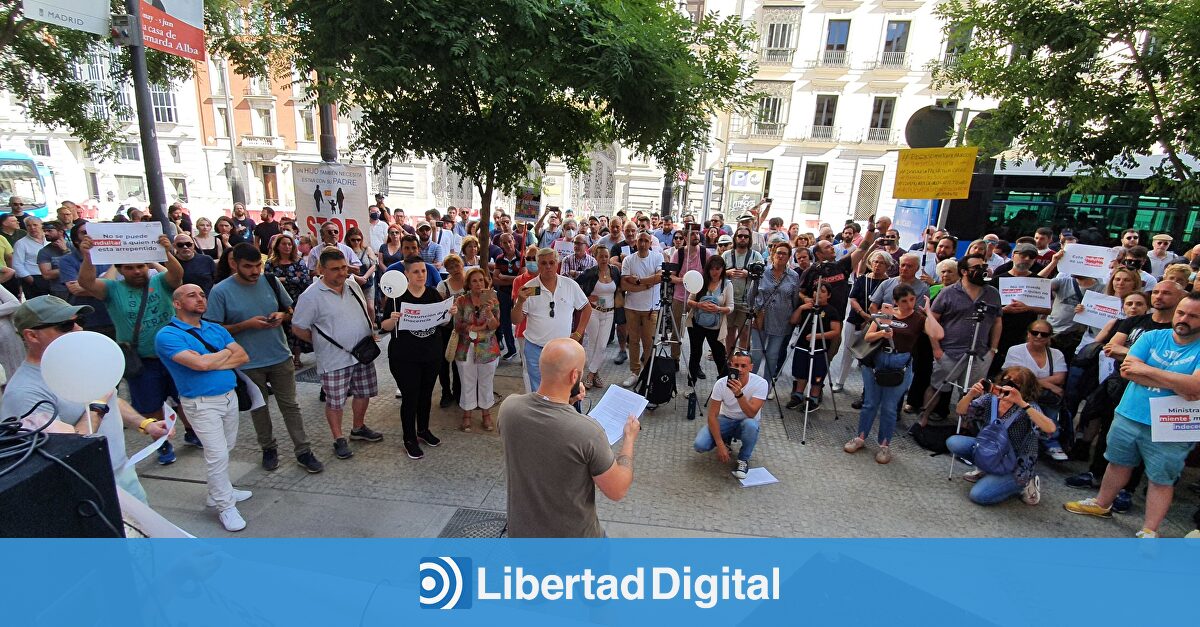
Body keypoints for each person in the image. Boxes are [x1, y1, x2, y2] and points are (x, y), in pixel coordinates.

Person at [1, 296, 165, 505]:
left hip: (122, 472)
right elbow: (65, 450)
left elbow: (110, 399)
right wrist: (97, 406)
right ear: (32, 335)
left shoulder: (77, 362)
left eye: (79, 322)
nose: (78, 329)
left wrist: (143, 424)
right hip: (87, 487)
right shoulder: (25, 392)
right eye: (66, 326)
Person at [1064, 293, 1200, 537]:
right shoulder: (1152, 336)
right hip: (1130, 414)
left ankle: (1150, 530)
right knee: (1117, 464)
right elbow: (1127, 371)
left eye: (1193, 316)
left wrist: (1146, 369)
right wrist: (1178, 382)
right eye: (1181, 312)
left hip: (1173, 424)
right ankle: (1102, 504)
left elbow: (1195, 388)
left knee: (1161, 479)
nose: (1183, 319)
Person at [77, 230, 199, 459]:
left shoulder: (159, 282)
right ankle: (162, 442)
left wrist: (167, 253)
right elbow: (86, 282)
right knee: (151, 405)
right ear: (121, 270)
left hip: (173, 355)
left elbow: (177, 275)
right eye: (130, 267)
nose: (136, 271)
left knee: (184, 398)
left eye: (141, 266)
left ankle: (192, 432)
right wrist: (87, 257)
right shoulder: (113, 289)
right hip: (141, 360)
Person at [500, 338, 639, 537]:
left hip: (522, 536)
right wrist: (629, 439)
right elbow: (617, 490)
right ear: (574, 375)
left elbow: (545, 427)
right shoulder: (588, 432)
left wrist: (568, 398)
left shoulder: (509, 409)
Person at [206, 243, 324, 473]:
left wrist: (282, 315)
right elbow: (212, 331)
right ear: (234, 264)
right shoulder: (220, 291)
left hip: (279, 355)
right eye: (248, 267)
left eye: (257, 265)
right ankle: (268, 448)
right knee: (259, 408)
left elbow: (291, 311)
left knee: (290, 406)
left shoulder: (271, 281)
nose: (254, 271)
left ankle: (303, 450)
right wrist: (245, 325)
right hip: (248, 362)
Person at [155, 284, 253, 531]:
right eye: (192, 295)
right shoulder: (168, 335)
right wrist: (221, 355)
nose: (200, 298)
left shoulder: (215, 328)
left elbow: (242, 356)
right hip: (201, 403)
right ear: (177, 303)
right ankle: (225, 506)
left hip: (229, 397)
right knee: (217, 454)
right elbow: (198, 365)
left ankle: (219, 491)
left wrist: (210, 361)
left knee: (226, 448)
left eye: (202, 294)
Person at [291, 248, 384, 461]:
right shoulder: (311, 296)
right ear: (321, 269)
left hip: (362, 353)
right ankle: (338, 438)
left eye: (343, 267)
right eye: (335, 269)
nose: (342, 273)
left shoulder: (352, 285)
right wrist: (322, 343)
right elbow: (298, 328)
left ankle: (358, 428)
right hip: (333, 359)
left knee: (363, 392)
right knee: (335, 401)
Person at [846, 285, 938, 463]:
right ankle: (860, 437)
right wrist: (882, 332)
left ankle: (884, 445)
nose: (909, 304)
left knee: (889, 407)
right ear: (896, 301)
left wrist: (928, 312)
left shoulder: (918, 318)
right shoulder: (885, 313)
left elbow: (937, 333)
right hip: (877, 362)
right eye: (904, 301)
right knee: (870, 404)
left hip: (900, 365)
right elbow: (868, 337)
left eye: (912, 299)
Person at [948, 366, 1057, 506]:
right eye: (1007, 378)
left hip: (1015, 462)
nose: (1009, 383)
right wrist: (970, 395)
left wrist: (1021, 403)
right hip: (993, 451)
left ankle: (1024, 483)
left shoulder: (1029, 406)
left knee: (979, 496)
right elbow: (961, 411)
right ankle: (988, 470)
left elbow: (1050, 429)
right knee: (954, 442)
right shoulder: (992, 398)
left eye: (1016, 382)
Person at [381, 258, 454, 460]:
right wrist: (392, 319)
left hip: (431, 355)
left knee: (426, 395)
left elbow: (443, 322)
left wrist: (449, 314)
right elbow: (384, 326)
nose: (421, 275)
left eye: (423, 271)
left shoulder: (432, 294)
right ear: (406, 275)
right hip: (405, 357)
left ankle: (423, 430)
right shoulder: (398, 297)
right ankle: (409, 438)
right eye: (415, 272)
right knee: (410, 397)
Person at [920, 254, 1002, 426]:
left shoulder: (992, 293)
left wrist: (993, 350)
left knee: (973, 392)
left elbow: (997, 321)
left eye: (984, 266)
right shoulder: (948, 292)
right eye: (976, 268)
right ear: (964, 271)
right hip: (950, 351)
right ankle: (924, 418)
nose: (982, 270)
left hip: (980, 353)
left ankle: (964, 425)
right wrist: (936, 349)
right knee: (937, 387)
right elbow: (931, 320)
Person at [512, 248, 591, 392]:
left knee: (563, 388)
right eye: (543, 263)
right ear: (538, 264)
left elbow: (586, 308)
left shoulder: (570, 285)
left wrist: (578, 333)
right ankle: (541, 414)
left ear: (557, 263)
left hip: (563, 349)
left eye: (551, 262)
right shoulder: (529, 288)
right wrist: (520, 302)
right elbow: (516, 320)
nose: (548, 266)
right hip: (535, 348)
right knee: (538, 389)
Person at [694, 350, 768, 479]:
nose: (739, 369)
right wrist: (720, 445)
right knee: (700, 445)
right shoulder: (721, 384)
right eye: (736, 365)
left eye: (744, 366)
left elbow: (751, 413)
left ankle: (743, 459)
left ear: (751, 367)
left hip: (746, 421)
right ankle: (725, 440)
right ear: (730, 365)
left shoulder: (761, 383)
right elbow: (712, 415)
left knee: (751, 425)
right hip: (726, 419)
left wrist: (738, 394)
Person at [1002, 319, 1068, 461]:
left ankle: (1051, 440)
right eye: (1035, 333)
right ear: (1028, 334)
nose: (1038, 336)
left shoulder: (1056, 354)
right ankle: (1047, 441)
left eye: (1043, 334)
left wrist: (1035, 382)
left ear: (1049, 337)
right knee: (1034, 408)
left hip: (1042, 395)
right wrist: (1048, 384)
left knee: (1052, 408)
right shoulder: (1015, 350)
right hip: (1021, 394)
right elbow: (1016, 378)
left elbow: (1060, 378)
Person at [452, 267, 500, 432]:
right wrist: (476, 327)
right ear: (469, 284)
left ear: (485, 282)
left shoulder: (492, 298)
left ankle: (486, 415)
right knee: (467, 381)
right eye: (474, 281)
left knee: (486, 381)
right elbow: (457, 324)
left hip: (487, 347)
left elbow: (495, 325)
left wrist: (489, 313)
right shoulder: (461, 300)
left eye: (481, 280)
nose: (478, 284)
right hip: (465, 348)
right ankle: (467, 415)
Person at [751, 241, 800, 399]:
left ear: (789, 257)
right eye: (778, 252)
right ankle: (750, 384)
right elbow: (751, 295)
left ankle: (767, 386)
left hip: (781, 321)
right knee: (756, 354)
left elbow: (795, 299)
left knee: (773, 355)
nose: (780, 256)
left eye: (784, 253)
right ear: (772, 254)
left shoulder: (794, 276)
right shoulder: (762, 272)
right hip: (761, 319)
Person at [617, 232, 664, 388]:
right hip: (631, 307)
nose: (643, 244)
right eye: (640, 240)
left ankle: (647, 373)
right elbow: (624, 285)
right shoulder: (629, 260)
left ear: (650, 242)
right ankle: (635, 372)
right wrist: (645, 285)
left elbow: (659, 277)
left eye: (646, 241)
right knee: (634, 341)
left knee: (649, 341)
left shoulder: (657, 257)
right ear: (636, 242)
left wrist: (637, 280)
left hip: (651, 308)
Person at [786, 283, 840, 411]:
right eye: (815, 291)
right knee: (800, 372)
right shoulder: (806, 308)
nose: (818, 294)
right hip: (802, 346)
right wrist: (801, 308)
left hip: (820, 349)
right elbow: (793, 321)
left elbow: (836, 331)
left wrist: (817, 336)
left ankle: (814, 397)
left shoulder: (831, 311)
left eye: (822, 291)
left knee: (817, 374)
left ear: (829, 295)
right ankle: (798, 395)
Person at [264, 233, 312, 369]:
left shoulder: (298, 261)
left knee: (295, 328)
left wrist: (282, 279)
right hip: (276, 301)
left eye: (290, 244)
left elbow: (304, 280)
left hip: (296, 299)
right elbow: (269, 281)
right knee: (282, 330)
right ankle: (285, 357)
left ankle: (297, 358)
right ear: (277, 246)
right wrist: (292, 278)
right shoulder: (270, 263)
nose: (287, 247)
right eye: (284, 244)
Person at [576, 243, 620, 388]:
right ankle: (596, 373)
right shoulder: (590, 272)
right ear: (595, 257)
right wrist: (586, 298)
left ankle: (590, 374)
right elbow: (575, 285)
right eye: (601, 256)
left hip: (609, 313)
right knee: (593, 344)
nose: (604, 259)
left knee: (602, 346)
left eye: (606, 256)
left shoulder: (614, 271)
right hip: (594, 311)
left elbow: (619, 288)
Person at [685, 255, 733, 384]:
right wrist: (699, 305)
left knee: (719, 356)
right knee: (695, 354)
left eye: (718, 268)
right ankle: (692, 385)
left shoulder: (727, 284)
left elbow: (731, 307)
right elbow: (689, 300)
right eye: (712, 269)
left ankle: (726, 385)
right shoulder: (701, 282)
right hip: (697, 324)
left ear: (723, 269)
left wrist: (718, 309)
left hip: (716, 327)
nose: (715, 272)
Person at [722, 225, 765, 361]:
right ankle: (729, 360)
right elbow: (716, 272)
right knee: (729, 332)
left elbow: (763, 276)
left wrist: (749, 273)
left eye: (746, 236)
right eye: (739, 236)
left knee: (745, 334)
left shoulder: (756, 255)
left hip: (747, 301)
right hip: (729, 301)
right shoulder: (726, 255)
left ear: (749, 239)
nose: (742, 239)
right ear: (735, 238)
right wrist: (727, 272)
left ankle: (742, 361)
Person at [666, 225, 708, 361]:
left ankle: (695, 364)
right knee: (676, 331)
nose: (696, 236)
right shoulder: (678, 254)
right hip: (679, 297)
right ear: (685, 237)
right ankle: (674, 359)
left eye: (697, 233)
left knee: (697, 333)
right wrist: (684, 280)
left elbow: (710, 276)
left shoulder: (705, 253)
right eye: (692, 234)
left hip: (698, 298)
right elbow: (671, 277)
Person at [436, 254, 466, 407]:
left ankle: (458, 391)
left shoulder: (469, 282)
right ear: (446, 269)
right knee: (444, 361)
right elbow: (440, 308)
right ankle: (445, 393)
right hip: (447, 328)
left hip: (464, 328)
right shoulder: (443, 285)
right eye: (451, 267)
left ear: (462, 265)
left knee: (459, 362)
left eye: (457, 265)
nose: (455, 269)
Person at [490, 232, 522, 360]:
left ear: (513, 241)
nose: (508, 244)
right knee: (505, 322)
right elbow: (495, 279)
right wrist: (514, 279)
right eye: (504, 242)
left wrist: (503, 277)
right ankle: (511, 349)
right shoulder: (499, 258)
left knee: (520, 321)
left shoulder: (522, 257)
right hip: (503, 294)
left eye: (509, 241)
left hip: (518, 294)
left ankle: (522, 350)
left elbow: (522, 279)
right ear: (500, 244)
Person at [345, 226, 378, 324]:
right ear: (348, 239)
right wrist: (357, 278)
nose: (356, 242)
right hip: (352, 282)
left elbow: (374, 265)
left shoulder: (367, 249)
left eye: (358, 239)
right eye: (353, 240)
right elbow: (344, 268)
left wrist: (364, 277)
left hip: (367, 282)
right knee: (358, 308)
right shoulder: (346, 251)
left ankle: (371, 328)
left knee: (370, 307)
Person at [36, 221, 71, 299]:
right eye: (44, 231)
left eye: (49, 230)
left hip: (78, 288)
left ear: (60, 232)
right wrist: (71, 268)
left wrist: (65, 250)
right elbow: (47, 275)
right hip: (59, 291)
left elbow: (82, 267)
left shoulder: (74, 247)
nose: (46, 233)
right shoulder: (44, 252)